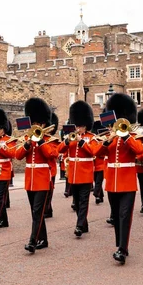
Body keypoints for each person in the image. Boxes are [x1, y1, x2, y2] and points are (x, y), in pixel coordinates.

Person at [100, 92, 143, 264]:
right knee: (117, 215)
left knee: (125, 215)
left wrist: (126, 136)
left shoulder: (133, 137)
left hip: (127, 181)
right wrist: (108, 140)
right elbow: (98, 153)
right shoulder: (109, 137)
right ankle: (119, 243)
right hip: (112, 181)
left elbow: (140, 152)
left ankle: (122, 249)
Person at [13, 98, 62, 253]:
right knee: (36, 212)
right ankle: (44, 239)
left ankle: (33, 241)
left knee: (37, 212)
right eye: (33, 122)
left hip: (43, 178)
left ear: (43, 124)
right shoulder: (27, 139)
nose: (34, 125)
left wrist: (40, 142)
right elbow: (18, 155)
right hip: (30, 179)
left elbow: (52, 154)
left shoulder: (50, 139)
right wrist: (27, 144)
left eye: (37, 123)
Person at [63, 100, 99, 237]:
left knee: (84, 201)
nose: (78, 129)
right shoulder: (70, 137)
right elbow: (60, 149)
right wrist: (67, 141)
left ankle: (79, 226)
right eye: (77, 126)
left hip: (85, 173)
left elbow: (93, 152)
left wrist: (81, 142)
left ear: (86, 126)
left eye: (81, 126)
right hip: (73, 173)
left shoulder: (92, 138)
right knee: (77, 202)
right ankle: (84, 224)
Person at [91, 120, 106, 205]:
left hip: (101, 165)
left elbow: (103, 154)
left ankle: (96, 194)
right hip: (94, 165)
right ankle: (101, 196)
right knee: (96, 181)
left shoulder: (102, 141)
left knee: (98, 182)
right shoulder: (93, 140)